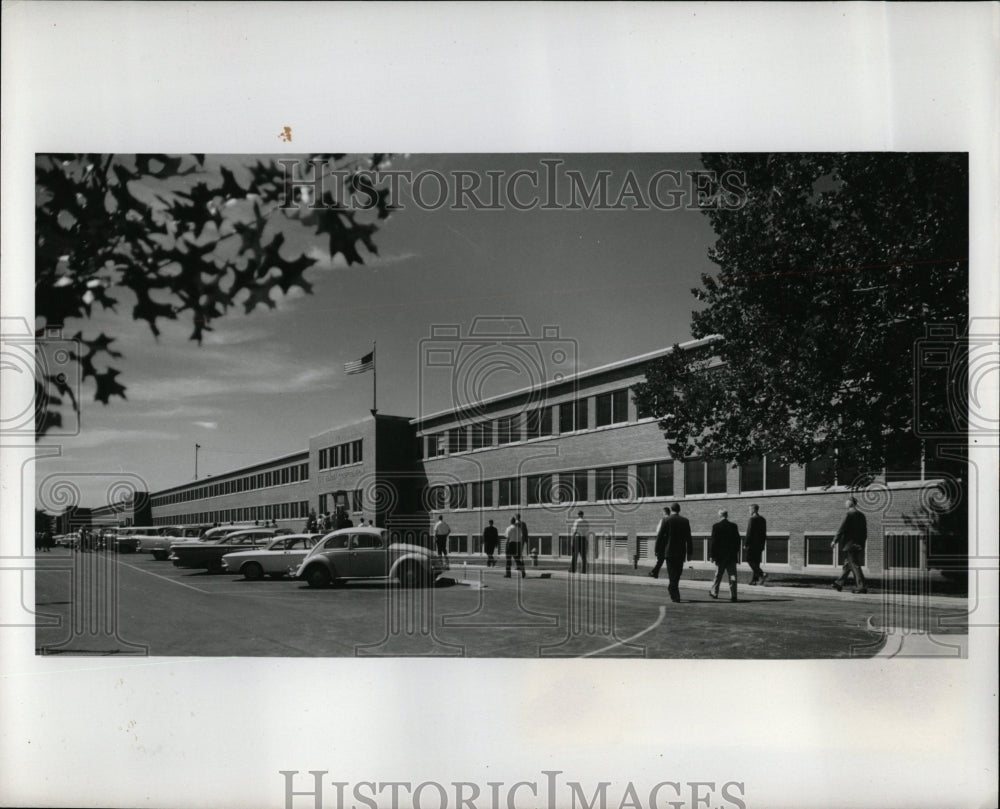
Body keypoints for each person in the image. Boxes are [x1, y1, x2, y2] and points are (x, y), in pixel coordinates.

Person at [831, 497, 868, 593]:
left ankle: (861, 586)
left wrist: (835, 540)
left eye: (846, 502)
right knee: (848, 564)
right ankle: (839, 583)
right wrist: (862, 543)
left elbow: (842, 528)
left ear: (851, 503)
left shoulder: (849, 514)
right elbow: (864, 531)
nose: (845, 504)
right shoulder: (862, 515)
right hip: (858, 543)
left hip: (850, 544)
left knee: (854, 565)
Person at [662, 503, 692, 602]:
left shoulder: (666, 520)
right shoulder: (685, 521)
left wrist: (657, 550)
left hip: (669, 551)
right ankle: (675, 595)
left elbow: (660, 536)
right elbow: (689, 538)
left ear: (671, 509)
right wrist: (690, 552)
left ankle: (672, 590)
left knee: (672, 574)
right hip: (680, 552)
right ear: (679, 510)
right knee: (677, 574)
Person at [709, 509, 741, 602]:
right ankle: (733, 595)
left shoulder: (716, 526)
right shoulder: (733, 526)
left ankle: (714, 592)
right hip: (731, 557)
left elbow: (714, 542)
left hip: (720, 557)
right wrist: (735, 552)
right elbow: (737, 541)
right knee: (732, 576)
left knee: (718, 575)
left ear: (720, 515)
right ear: (727, 515)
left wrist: (712, 555)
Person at [744, 504, 767, 585]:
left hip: (752, 544)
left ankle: (761, 574)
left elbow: (749, 533)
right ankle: (755, 580)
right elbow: (764, 534)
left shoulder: (752, 519)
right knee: (756, 562)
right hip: (759, 545)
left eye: (750, 509)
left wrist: (745, 543)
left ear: (753, 510)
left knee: (748, 559)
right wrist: (763, 545)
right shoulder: (763, 520)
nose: (749, 511)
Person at [649, 506, 671, 578]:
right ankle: (655, 573)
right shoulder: (672, 519)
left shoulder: (663, 520)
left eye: (663, 512)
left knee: (660, 560)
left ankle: (654, 572)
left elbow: (658, 531)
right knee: (665, 560)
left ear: (664, 512)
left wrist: (656, 548)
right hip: (669, 541)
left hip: (662, 542)